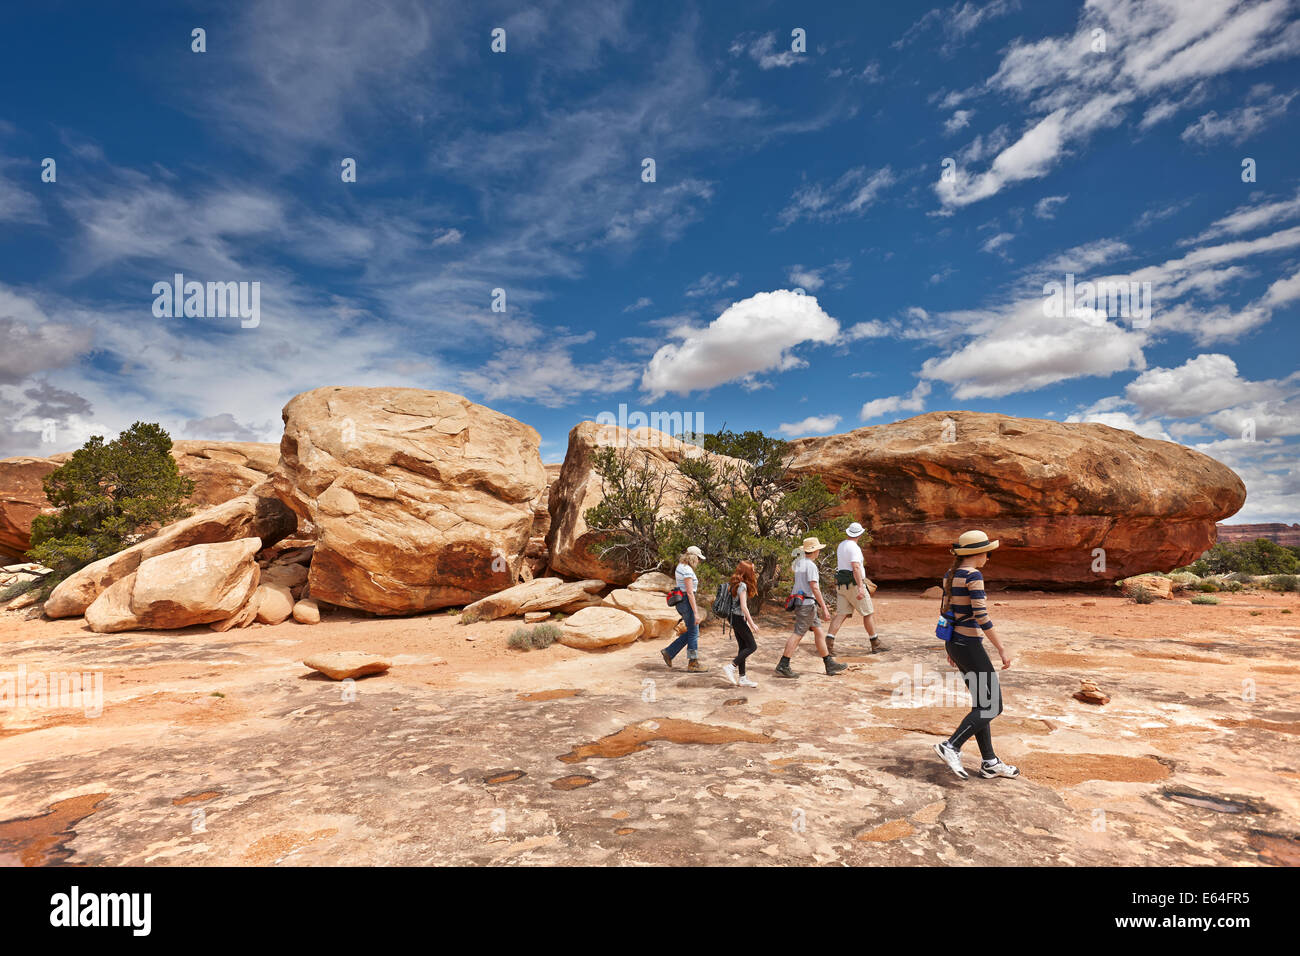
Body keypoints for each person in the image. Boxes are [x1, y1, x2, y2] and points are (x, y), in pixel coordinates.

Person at [932, 530, 1019, 780]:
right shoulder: (973, 575)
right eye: (987, 553)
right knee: (993, 705)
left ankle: (989, 762)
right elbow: (981, 616)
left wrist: (951, 647)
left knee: (982, 704)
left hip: (956, 644)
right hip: (968, 644)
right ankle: (951, 746)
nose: (988, 558)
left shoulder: (950, 574)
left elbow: (945, 610)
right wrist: (1001, 648)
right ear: (977, 553)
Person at [775, 537, 847, 678]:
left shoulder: (800, 563)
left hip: (804, 603)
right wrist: (824, 608)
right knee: (798, 633)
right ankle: (783, 664)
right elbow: (814, 587)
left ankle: (829, 663)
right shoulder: (811, 566)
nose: (819, 551)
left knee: (819, 632)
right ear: (815, 551)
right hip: (807, 605)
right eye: (818, 549)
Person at [826, 521, 886, 656]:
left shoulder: (841, 545)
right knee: (868, 613)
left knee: (841, 614)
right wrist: (860, 587)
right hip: (853, 584)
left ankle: (828, 644)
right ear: (860, 534)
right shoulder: (854, 548)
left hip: (842, 584)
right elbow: (855, 567)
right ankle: (875, 643)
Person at [661, 545, 709, 672]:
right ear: (693, 557)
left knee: (692, 632)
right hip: (687, 602)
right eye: (698, 559)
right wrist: (696, 612)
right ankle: (693, 663)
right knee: (694, 632)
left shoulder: (680, 567)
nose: (699, 561)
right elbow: (689, 592)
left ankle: (669, 652)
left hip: (681, 602)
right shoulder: (687, 570)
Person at [722, 560, 760, 688]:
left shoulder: (734, 583)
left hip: (733, 618)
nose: (754, 572)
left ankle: (742, 678)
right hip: (738, 617)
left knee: (743, 647)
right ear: (747, 571)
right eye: (752, 570)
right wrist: (752, 623)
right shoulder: (742, 585)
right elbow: (744, 607)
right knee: (752, 646)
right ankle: (731, 666)